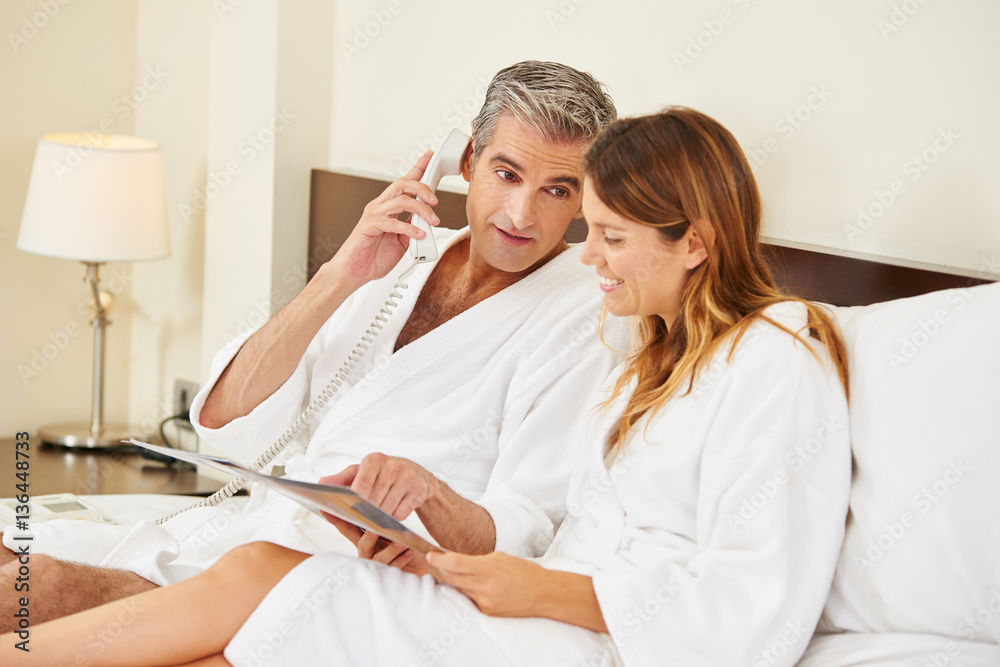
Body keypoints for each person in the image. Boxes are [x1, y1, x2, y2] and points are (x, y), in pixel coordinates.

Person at [2, 107, 853, 667]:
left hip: (583, 628)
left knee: (268, 592)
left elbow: (754, 608)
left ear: (695, 242)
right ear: (467, 162)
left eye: (603, 231)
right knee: (250, 599)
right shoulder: (653, 357)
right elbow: (223, 423)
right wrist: (445, 558)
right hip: (512, 591)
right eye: (590, 229)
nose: (582, 252)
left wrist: (525, 582)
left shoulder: (776, 355)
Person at [0, 61, 622, 630]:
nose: (520, 214)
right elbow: (224, 421)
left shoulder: (586, 316)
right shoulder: (407, 255)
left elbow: (522, 535)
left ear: (587, 199)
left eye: (558, 190)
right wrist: (342, 274)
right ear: (466, 160)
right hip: (249, 527)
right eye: (506, 173)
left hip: (349, 571)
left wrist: (427, 495)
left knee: (35, 587)